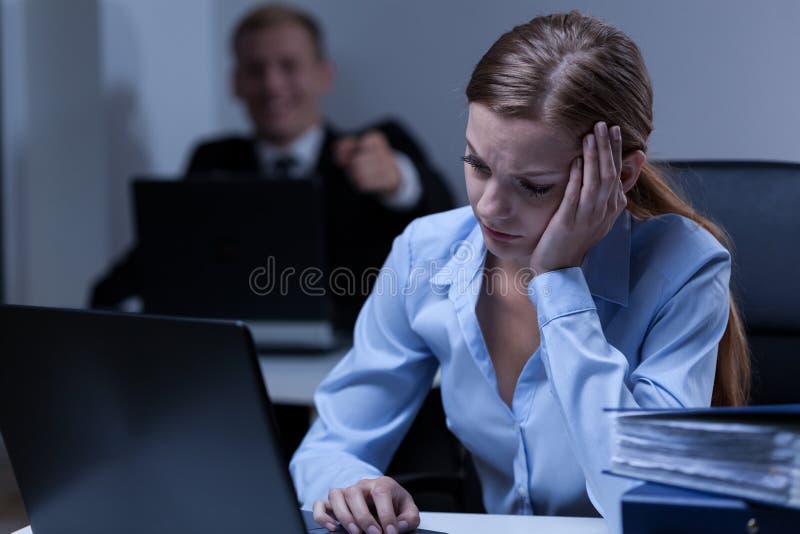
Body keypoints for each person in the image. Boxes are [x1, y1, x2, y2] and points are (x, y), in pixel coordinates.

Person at [291, 11, 751, 534]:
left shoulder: (685, 267)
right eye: (477, 164)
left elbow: (643, 494)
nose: (488, 207)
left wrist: (558, 282)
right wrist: (351, 485)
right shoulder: (428, 251)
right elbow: (326, 447)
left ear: (619, 174)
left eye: (532, 186)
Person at [89, 3, 454, 330]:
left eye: (289, 66)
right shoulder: (213, 162)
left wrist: (399, 183)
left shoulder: (377, 146)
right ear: (236, 83)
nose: (272, 84)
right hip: (242, 367)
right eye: (255, 69)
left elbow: (450, 230)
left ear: (324, 75)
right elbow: (144, 270)